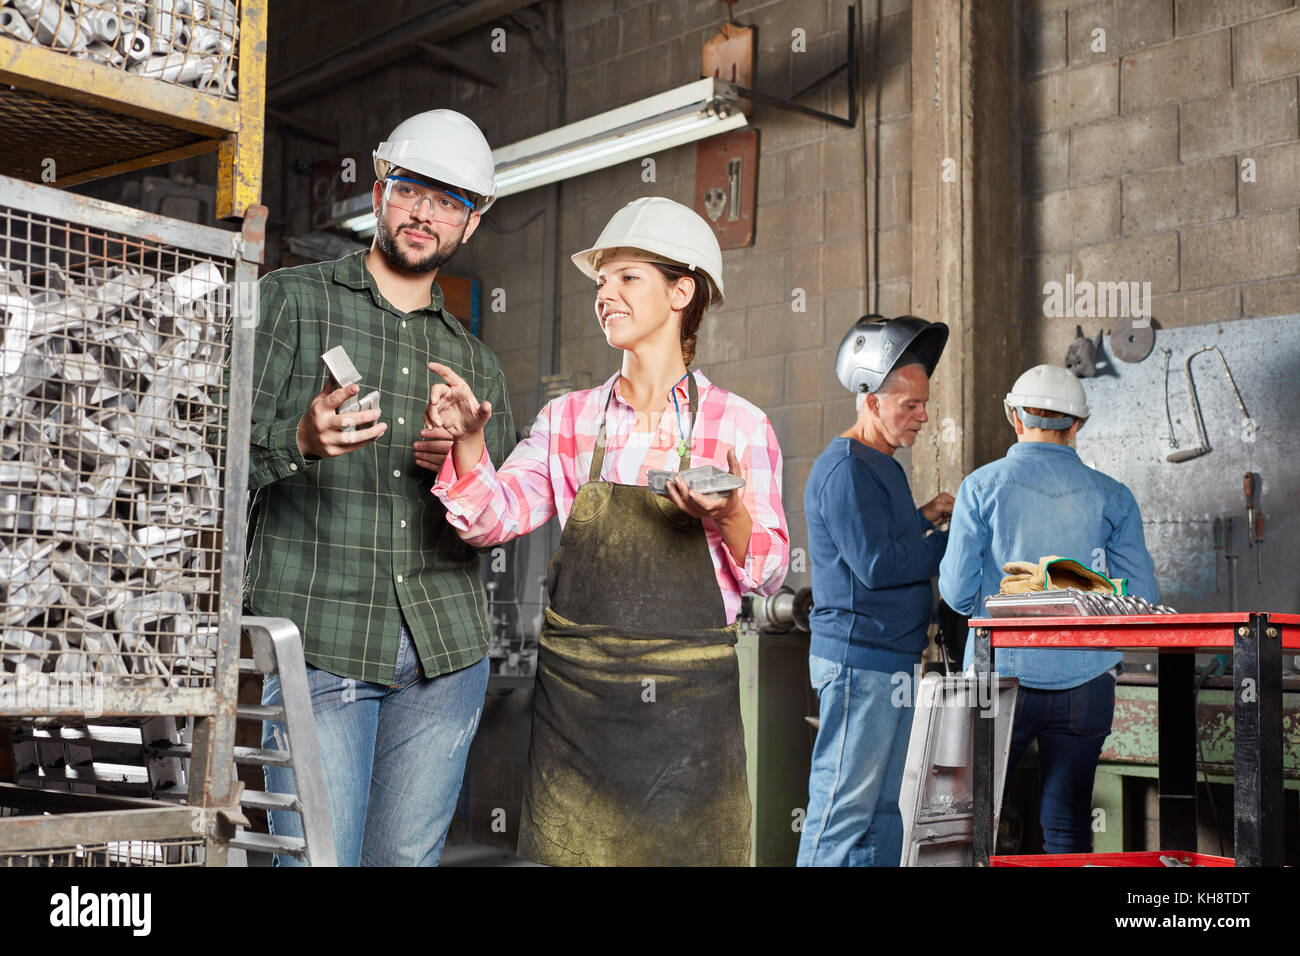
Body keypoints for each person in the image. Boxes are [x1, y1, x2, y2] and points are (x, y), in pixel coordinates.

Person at [421, 197, 789, 866]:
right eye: (601, 283)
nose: (607, 295)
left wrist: (729, 514)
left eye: (628, 278)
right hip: (577, 715)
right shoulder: (568, 421)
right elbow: (490, 520)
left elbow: (767, 571)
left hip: (690, 715)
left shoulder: (739, 426)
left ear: (682, 291)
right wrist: (471, 447)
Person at [246, 109, 515, 866]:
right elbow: (210, 456)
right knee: (316, 861)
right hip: (321, 641)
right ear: (379, 191)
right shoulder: (290, 303)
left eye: (450, 201)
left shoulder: (475, 364)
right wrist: (297, 442)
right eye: (411, 190)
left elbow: (498, 518)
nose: (426, 213)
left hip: (443, 653)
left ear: (472, 221)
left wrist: (463, 458)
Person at [938, 364, 1157, 854]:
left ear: (1014, 417)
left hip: (999, 678)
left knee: (976, 827)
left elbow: (954, 594)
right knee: (1067, 824)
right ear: (1078, 424)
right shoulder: (1113, 496)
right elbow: (1139, 595)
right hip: (1087, 683)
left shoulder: (980, 487)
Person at [797, 314, 953, 867]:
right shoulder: (844, 468)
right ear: (870, 400)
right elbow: (877, 565)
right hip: (859, 663)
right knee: (843, 811)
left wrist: (921, 519)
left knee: (884, 810)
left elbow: (873, 539)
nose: (923, 416)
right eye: (909, 405)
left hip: (889, 660)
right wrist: (948, 541)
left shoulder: (880, 463)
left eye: (924, 403)